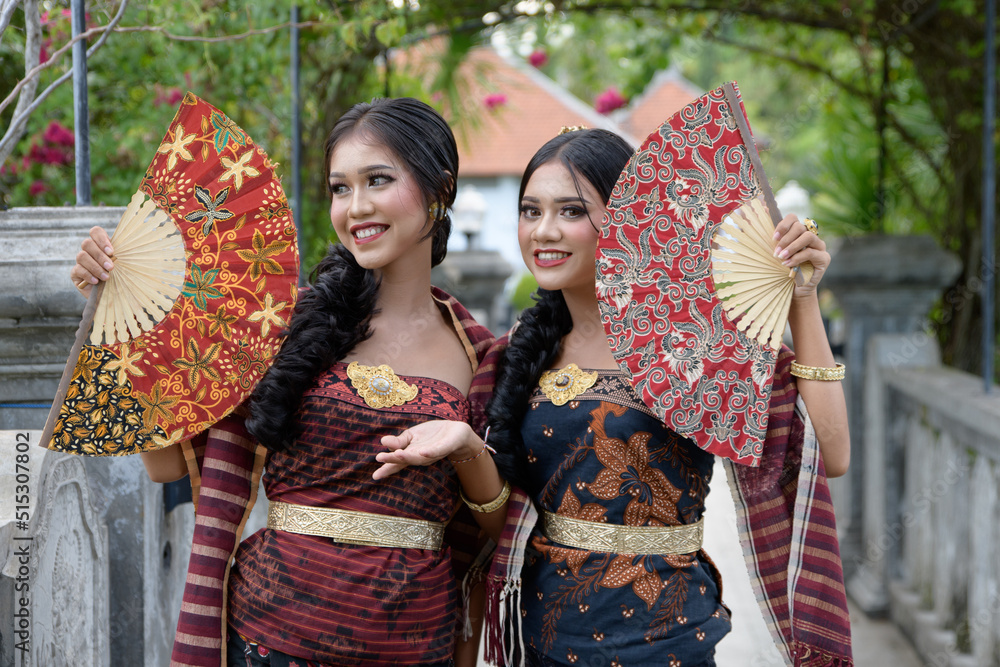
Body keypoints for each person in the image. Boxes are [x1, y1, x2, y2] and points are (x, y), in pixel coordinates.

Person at [373, 127, 852, 667]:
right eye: (530, 211)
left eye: (571, 212)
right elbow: (495, 525)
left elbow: (829, 455)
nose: (544, 231)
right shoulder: (512, 362)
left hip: (671, 641)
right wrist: (465, 448)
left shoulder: (692, 346)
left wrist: (803, 301)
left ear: (629, 220)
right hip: (546, 639)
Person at [70, 97, 507, 667]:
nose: (357, 207)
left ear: (439, 189)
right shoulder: (280, 324)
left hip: (413, 645)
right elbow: (165, 466)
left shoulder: (483, 359)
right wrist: (123, 314)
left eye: (378, 180)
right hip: (272, 639)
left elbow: (496, 525)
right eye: (339, 188)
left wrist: (467, 447)